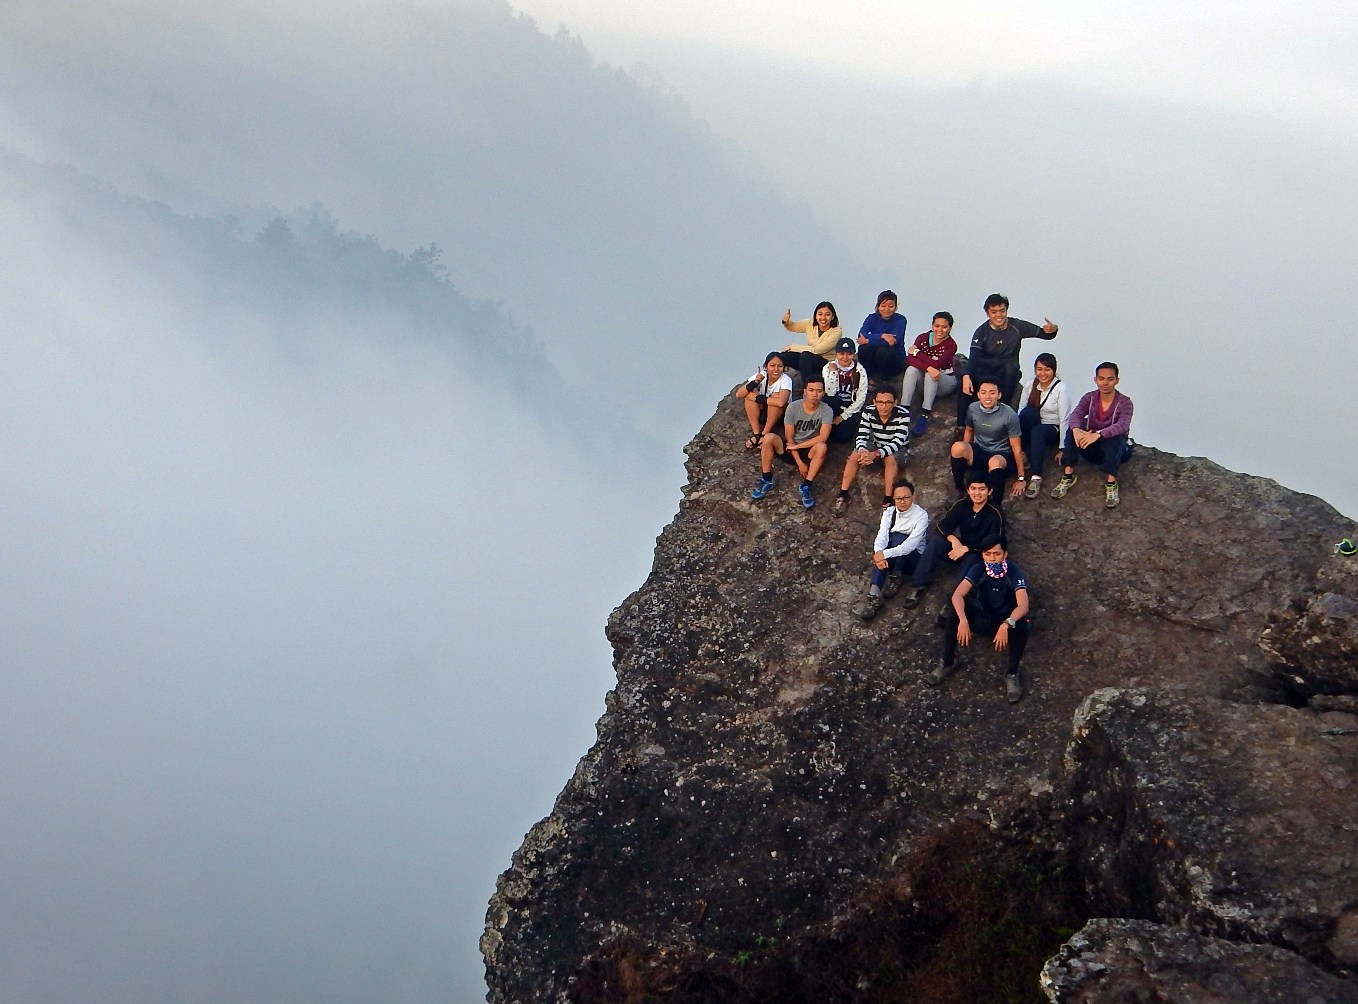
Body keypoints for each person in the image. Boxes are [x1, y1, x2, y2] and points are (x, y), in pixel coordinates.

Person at [927, 537, 1031, 703]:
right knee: (955, 613)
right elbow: (958, 595)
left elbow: (1023, 604)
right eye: (987, 554)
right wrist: (963, 620)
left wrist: (1007, 624)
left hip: (1004, 619)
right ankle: (947, 661)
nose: (992, 558)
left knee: (1021, 625)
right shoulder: (979, 569)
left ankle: (1012, 673)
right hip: (983, 616)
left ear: (1005, 554)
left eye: (996, 554)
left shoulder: (1013, 572)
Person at [905, 471, 1006, 608]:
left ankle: (952, 601)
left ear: (989, 491)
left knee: (972, 559)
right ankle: (918, 585)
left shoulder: (995, 512)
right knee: (936, 542)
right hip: (959, 547)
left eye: (982, 489)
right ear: (968, 490)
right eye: (973, 489)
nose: (977, 493)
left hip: (979, 552)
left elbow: (995, 542)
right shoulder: (962, 504)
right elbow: (942, 526)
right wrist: (954, 540)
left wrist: (967, 549)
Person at [956, 293, 1058, 424]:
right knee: (964, 382)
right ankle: (961, 425)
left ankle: (1000, 413)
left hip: (1007, 367)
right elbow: (974, 356)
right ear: (987, 313)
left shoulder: (1017, 326)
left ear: (1006, 311)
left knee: (1011, 370)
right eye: (994, 312)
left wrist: (1053, 330)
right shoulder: (981, 332)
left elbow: (1045, 335)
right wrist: (966, 376)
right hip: (986, 367)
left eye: (1002, 311)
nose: (999, 315)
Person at [1050, 362, 1134, 509]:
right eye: (1101, 379)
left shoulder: (1125, 402)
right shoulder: (1089, 397)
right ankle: (1068, 475)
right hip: (1091, 447)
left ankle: (1111, 483)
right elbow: (1076, 414)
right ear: (1095, 380)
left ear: (1116, 380)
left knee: (1117, 439)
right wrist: (1077, 429)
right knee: (1072, 430)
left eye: (1110, 379)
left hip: (1116, 450)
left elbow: (1123, 425)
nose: (1105, 383)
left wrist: (1098, 434)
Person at [752, 376, 833, 509]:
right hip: (791, 447)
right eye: (811, 390)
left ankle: (806, 485)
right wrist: (799, 463)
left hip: (808, 448)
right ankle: (767, 478)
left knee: (822, 447)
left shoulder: (826, 410)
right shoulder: (793, 407)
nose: (815, 394)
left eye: (818, 391)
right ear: (805, 391)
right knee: (768, 438)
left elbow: (822, 437)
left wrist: (798, 447)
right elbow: (789, 437)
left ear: (823, 393)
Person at [858, 479, 929, 620]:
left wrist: (884, 553)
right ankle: (874, 594)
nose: (903, 501)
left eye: (906, 497)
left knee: (899, 538)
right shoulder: (889, 512)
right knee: (888, 546)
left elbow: (910, 545)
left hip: (913, 558)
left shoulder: (921, 516)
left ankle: (897, 575)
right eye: (899, 498)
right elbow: (882, 535)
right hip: (893, 555)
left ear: (913, 496)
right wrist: (879, 553)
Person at [834, 386, 911, 515]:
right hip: (876, 446)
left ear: (895, 403)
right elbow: (861, 435)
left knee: (890, 457)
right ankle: (843, 494)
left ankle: (888, 499)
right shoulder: (868, 412)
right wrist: (863, 451)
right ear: (874, 402)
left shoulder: (903, 415)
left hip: (899, 451)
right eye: (880, 402)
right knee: (855, 454)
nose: (884, 406)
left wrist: (875, 454)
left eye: (888, 402)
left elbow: (898, 442)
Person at [950, 377, 1027, 500]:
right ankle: (960, 489)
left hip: (1001, 455)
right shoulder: (973, 409)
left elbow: (1016, 447)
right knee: (957, 447)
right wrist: (965, 454)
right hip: (980, 450)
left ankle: (995, 505)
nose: (988, 397)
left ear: (999, 395)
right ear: (978, 394)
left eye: (992, 393)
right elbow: (969, 430)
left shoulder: (1009, 415)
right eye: (984, 392)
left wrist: (1021, 478)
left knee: (995, 462)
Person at [1017, 352, 1072, 499]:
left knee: (1038, 431)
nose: (1043, 373)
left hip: (1051, 428)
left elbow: (1065, 419)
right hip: (1034, 423)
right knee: (1027, 413)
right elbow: (1021, 411)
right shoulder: (1030, 385)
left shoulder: (1061, 389)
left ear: (1054, 370)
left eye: (1047, 369)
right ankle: (1023, 453)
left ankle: (1036, 477)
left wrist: (1063, 447)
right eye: (1039, 369)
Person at [900, 311, 959, 438]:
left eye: (944, 327)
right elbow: (910, 359)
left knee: (931, 374)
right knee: (912, 369)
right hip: (925, 381)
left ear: (950, 328)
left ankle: (925, 414)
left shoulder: (951, 345)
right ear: (932, 326)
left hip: (945, 381)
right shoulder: (922, 338)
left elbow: (937, 364)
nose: (940, 330)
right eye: (937, 326)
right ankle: (904, 410)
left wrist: (917, 353)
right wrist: (928, 366)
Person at [735, 351, 793, 451]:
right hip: (763, 410)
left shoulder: (785, 380)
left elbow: (781, 402)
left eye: (780, 366)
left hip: (780, 413)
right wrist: (755, 382)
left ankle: (764, 433)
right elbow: (739, 394)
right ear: (766, 366)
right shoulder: (762, 375)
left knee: (775, 397)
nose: (776, 369)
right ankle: (757, 433)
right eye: (772, 365)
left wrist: (758, 398)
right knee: (749, 394)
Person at [779, 302, 842, 385]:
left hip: (825, 363)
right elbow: (793, 326)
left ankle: (807, 387)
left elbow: (817, 350)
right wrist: (786, 322)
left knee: (806, 356)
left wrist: (792, 346)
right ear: (815, 316)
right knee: (783, 356)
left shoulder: (836, 331)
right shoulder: (810, 324)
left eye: (827, 315)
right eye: (820, 314)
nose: (823, 318)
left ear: (832, 317)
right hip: (808, 358)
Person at [821, 337, 869, 444]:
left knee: (843, 436)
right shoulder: (827, 367)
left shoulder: (860, 370)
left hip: (850, 408)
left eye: (849, 354)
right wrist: (833, 373)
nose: (845, 357)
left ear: (853, 354)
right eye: (842, 353)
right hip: (833, 404)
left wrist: (843, 416)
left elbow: (861, 398)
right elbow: (830, 392)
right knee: (830, 400)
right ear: (836, 353)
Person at [856, 290, 907, 385]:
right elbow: (861, 335)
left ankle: (885, 380)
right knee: (863, 348)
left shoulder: (900, 319)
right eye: (883, 306)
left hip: (894, 359)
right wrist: (882, 336)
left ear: (895, 307)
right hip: (876, 358)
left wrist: (868, 340)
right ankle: (869, 377)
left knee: (883, 350)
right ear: (878, 306)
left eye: (891, 306)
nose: (887, 309)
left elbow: (892, 342)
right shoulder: (872, 318)